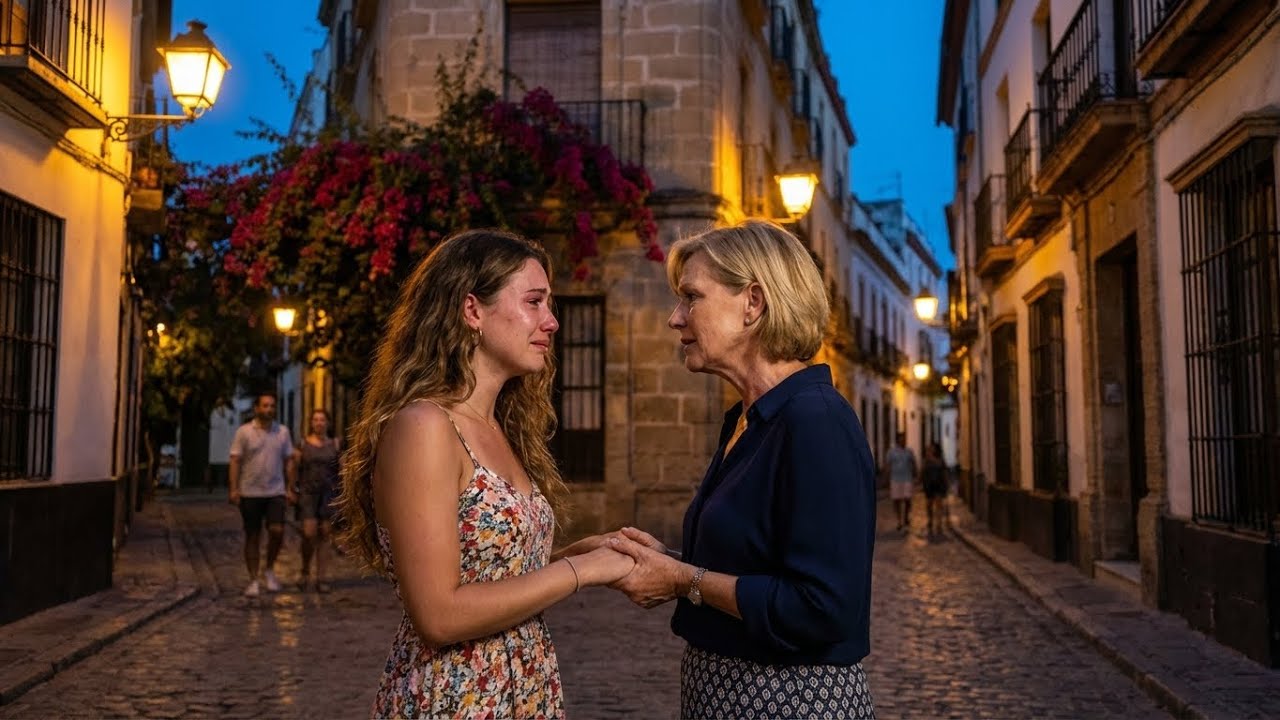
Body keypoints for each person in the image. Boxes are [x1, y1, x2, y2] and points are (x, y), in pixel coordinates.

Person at [332, 229, 634, 719]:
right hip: (457, 695)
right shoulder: (424, 426)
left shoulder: (500, 426)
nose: (551, 322)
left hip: (522, 688)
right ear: (472, 310)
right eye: (534, 302)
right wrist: (580, 573)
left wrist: (580, 553)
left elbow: (486, 567)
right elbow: (438, 613)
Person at [604, 220, 877, 719]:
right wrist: (666, 561)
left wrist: (683, 578)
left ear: (753, 302)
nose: (675, 318)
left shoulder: (815, 421)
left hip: (788, 703)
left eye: (692, 298)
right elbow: (759, 564)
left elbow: (822, 606)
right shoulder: (752, 420)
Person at [228, 393, 297, 597]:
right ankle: (253, 579)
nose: (269, 409)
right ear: (257, 408)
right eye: (265, 405)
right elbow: (235, 460)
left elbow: (289, 460)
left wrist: (291, 488)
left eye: (272, 406)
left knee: (277, 531)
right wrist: (233, 488)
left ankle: (269, 569)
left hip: (275, 491)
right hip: (250, 491)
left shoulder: (282, 432)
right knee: (253, 535)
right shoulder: (244, 432)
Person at [294, 408, 340, 592]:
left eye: (322, 420)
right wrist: (292, 489)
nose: (319, 423)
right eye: (315, 420)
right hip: (308, 493)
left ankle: (322, 577)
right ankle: (305, 569)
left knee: (325, 535)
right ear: (311, 423)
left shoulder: (335, 444)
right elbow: (295, 468)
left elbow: (341, 469)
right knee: (309, 533)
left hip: (328, 494)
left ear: (327, 423)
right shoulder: (304, 444)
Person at [885, 432, 918, 532]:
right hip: (895, 479)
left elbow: (913, 463)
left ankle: (906, 516)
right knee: (897, 500)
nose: (903, 440)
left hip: (907, 479)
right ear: (897, 440)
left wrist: (916, 474)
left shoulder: (909, 451)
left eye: (904, 438)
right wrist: (886, 478)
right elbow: (888, 464)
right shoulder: (891, 452)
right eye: (901, 439)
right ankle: (899, 520)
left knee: (908, 499)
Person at [207, 397, 239, 493]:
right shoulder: (219, 413)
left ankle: (219, 485)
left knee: (221, 465)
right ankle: (221, 485)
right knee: (222, 465)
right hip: (223, 443)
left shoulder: (228, 413)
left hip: (222, 444)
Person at [922, 442, 948, 537]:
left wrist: (946, 485)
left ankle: (939, 524)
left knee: (938, 505)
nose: (931, 449)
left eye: (932, 448)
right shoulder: (926, 460)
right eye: (930, 448)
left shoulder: (940, 460)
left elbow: (944, 472)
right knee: (929, 505)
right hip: (929, 485)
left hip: (939, 484)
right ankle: (930, 521)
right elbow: (923, 471)